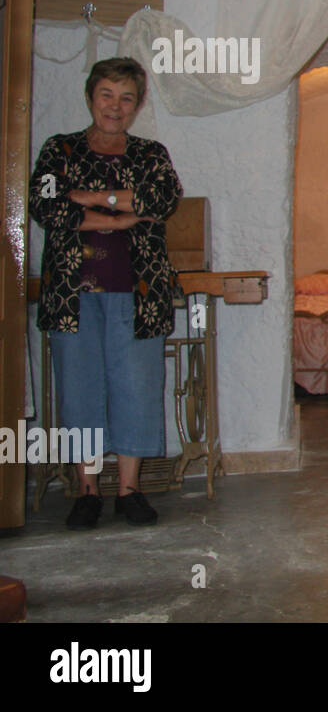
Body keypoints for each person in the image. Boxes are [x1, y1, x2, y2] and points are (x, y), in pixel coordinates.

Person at [29, 57, 183, 529]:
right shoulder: (60, 149)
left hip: (140, 291)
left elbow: (162, 200)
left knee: (136, 388)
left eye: (126, 98)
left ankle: (129, 489)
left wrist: (88, 198)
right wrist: (121, 211)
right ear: (91, 96)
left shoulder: (151, 153)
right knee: (79, 390)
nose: (115, 106)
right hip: (72, 294)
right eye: (107, 95)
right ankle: (88, 490)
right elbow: (44, 204)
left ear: (136, 106)